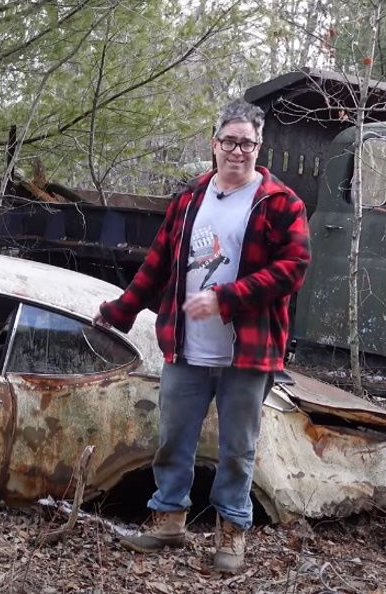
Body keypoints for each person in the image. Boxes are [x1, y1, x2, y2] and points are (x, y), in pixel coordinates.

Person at [93, 99, 311, 573]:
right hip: (187, 346)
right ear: (213, 144)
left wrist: (227, 298)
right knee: (173, 439)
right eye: (229, 141)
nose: (238, 150)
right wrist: (120, 310)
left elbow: (292, 269)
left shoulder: (280, 203)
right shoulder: (189, 198)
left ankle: (232, 532)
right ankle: (168, 520)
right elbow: (156, 267)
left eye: (247, 143)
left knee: (238, 448)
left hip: (248, 353)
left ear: (259, 147)